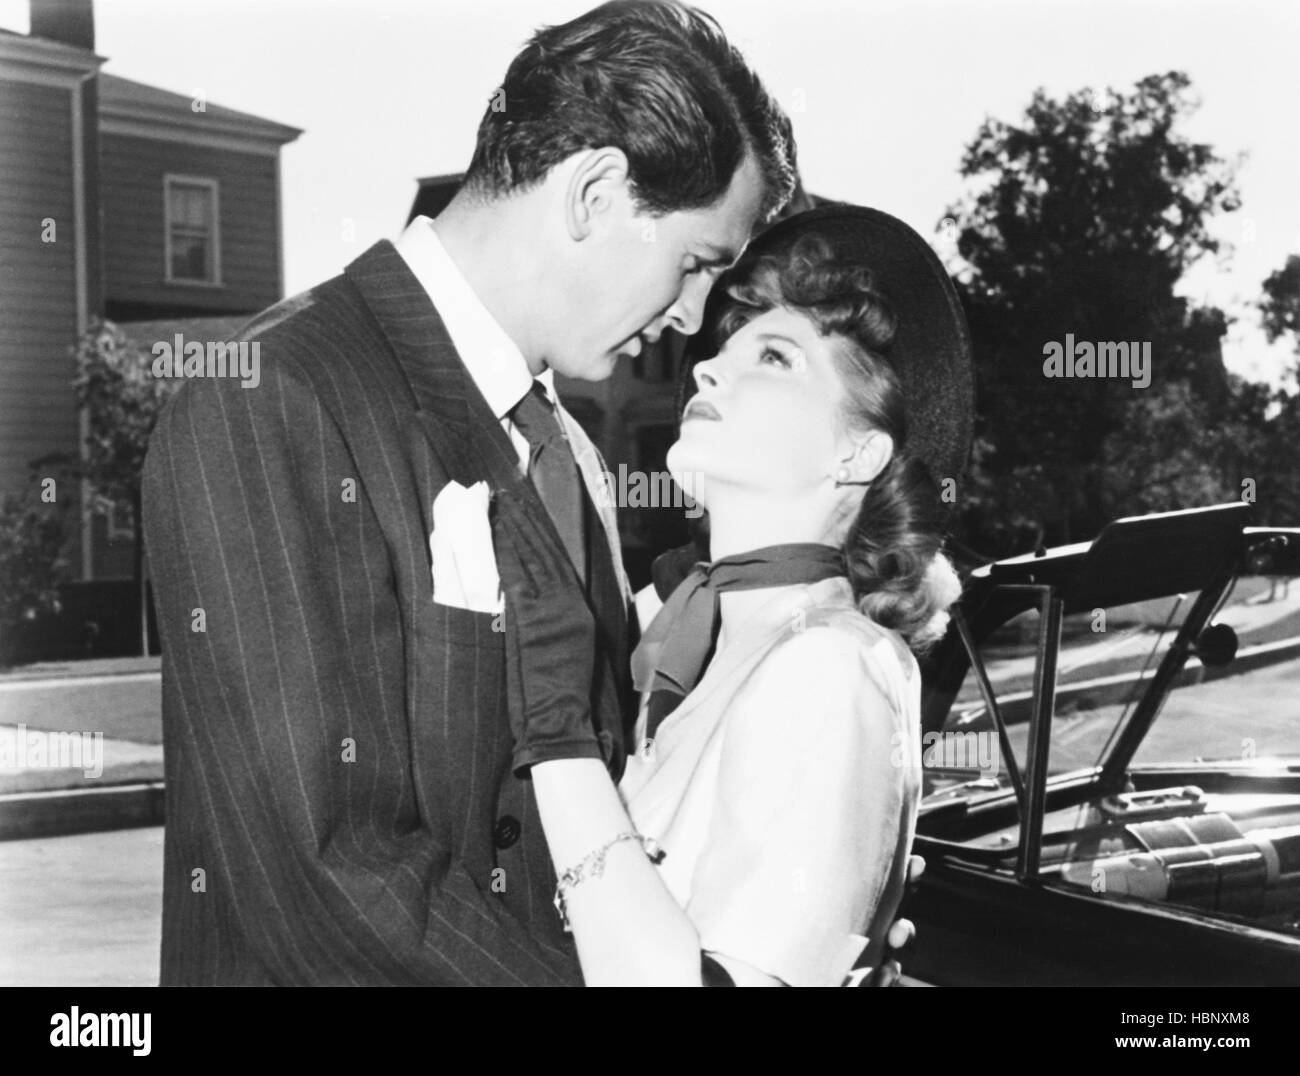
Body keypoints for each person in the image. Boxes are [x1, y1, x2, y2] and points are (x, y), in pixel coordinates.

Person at [141, 0, 918, 986]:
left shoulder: (571, 452)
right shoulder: (271, 397)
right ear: (594, 191)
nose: (690, 318)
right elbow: (328, 875)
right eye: (693, 264)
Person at [515, 204, 973, 986]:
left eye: (775, 356)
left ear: (858, 452)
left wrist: (556, 735)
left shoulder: (830, 664)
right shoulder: (693, 638)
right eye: (727, 346)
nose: (709, 367)